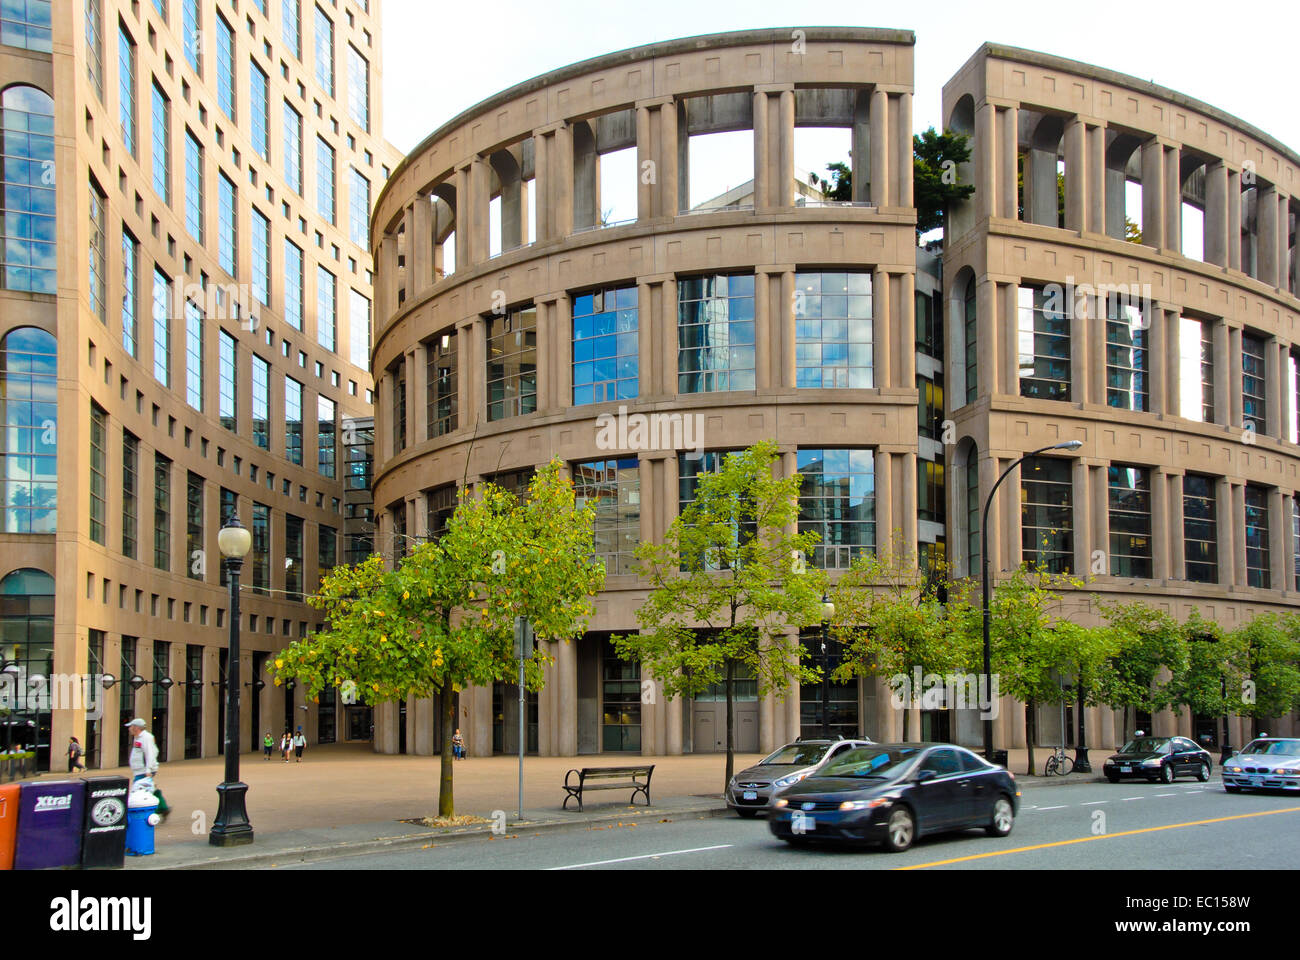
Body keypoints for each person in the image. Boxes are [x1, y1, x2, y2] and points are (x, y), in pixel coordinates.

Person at [125, 718, 169, 819]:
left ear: (136, 728)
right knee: (149, 789)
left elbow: (150, 753)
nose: (129, 729)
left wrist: (148, 770)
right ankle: (163, 808)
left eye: (131, 727)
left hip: (143, 771)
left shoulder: (146, 737)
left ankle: (149, 812)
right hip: (140, 770)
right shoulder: (138, 737)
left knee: (138, 792)